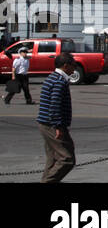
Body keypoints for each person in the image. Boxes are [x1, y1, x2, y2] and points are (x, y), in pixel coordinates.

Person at [36, 53, 77, 182]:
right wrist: (58, 126)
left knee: (53, 157)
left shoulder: (52, 77)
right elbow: (55, 104)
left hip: (46, 123)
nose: (74, 69)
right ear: (66, 66)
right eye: (73, 66)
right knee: (67, 159)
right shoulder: (59, 81)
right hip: (52, 125)